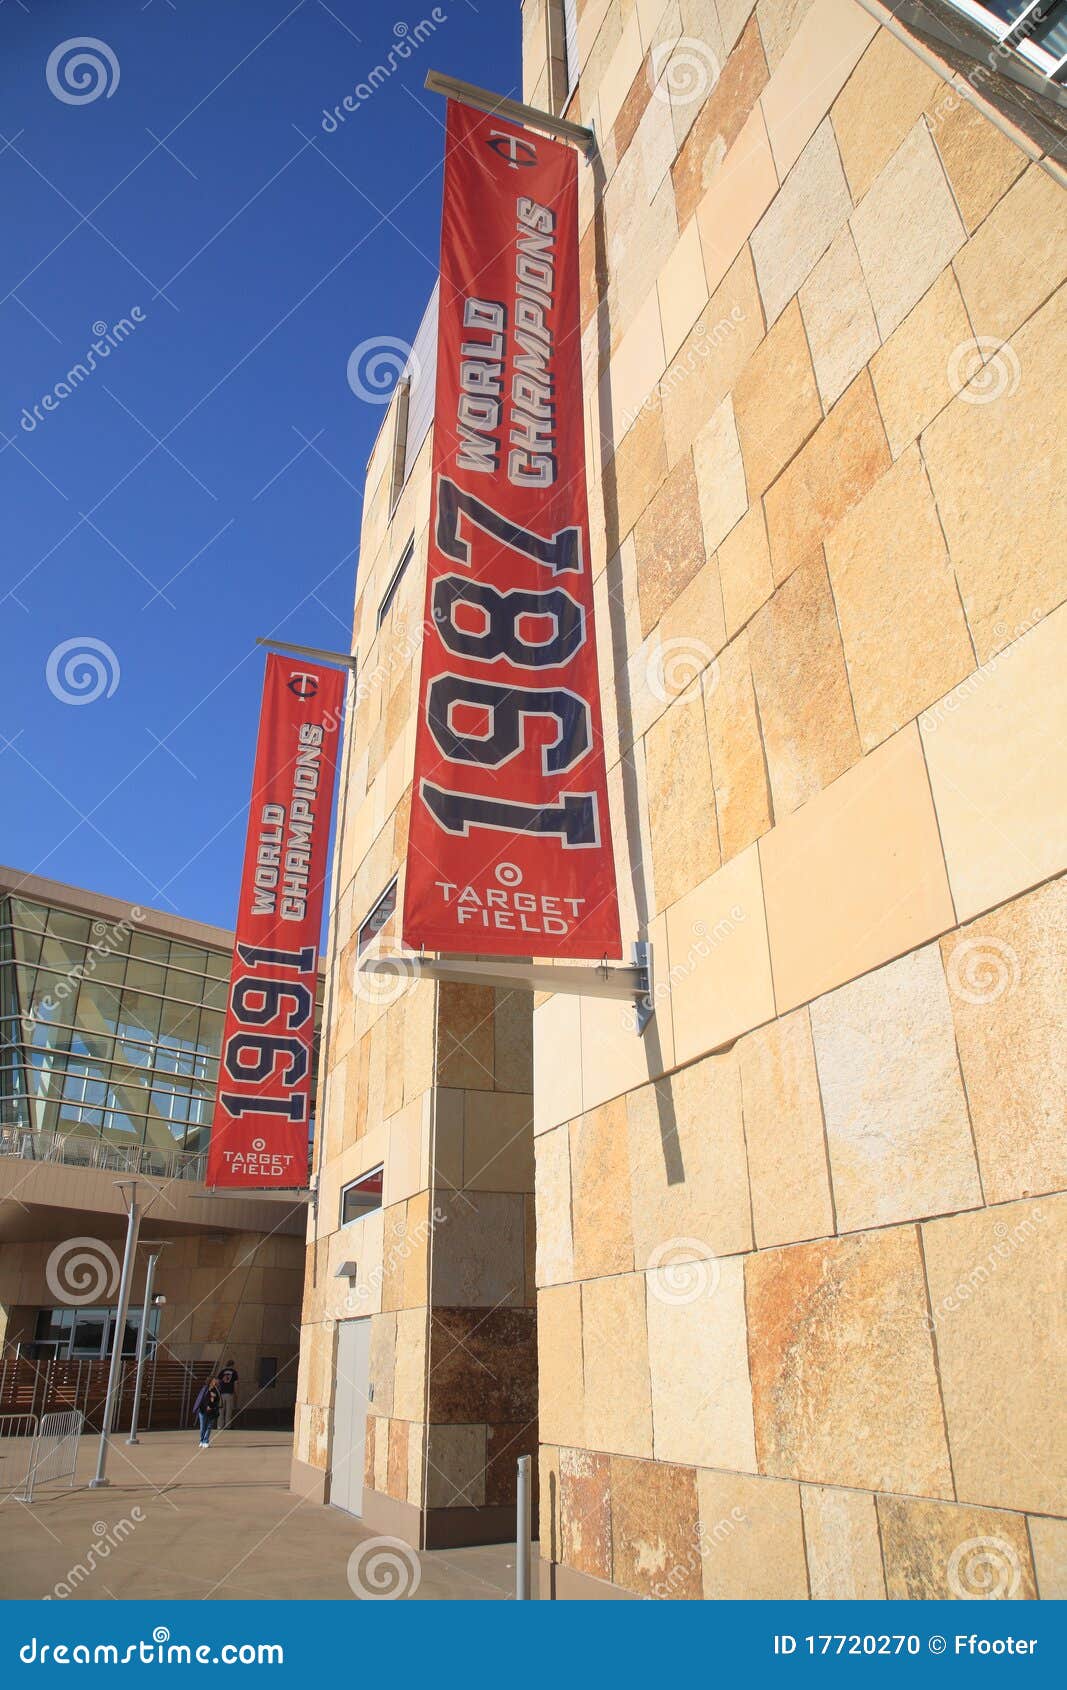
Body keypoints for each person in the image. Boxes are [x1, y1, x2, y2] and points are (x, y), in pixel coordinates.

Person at [192, 1377, 221, 1448]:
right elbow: (201, 1399)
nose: (215, 1382)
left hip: (212, 1411)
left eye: (216, 1381)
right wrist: (206, 1406)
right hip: (203, 1411)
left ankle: (206, 1441)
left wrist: (212, 1406)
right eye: (214, 1381)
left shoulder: (216, 1390)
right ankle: (201, 1441)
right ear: (210, 1381)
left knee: (209, 1426)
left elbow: (217, 1400)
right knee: (203, 1427)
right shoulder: (204, 1389)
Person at [217, 1359, 239, 1430]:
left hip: (222, 1393)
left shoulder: (222, 1372)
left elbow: (218, 1382)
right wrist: (236, 1392)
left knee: (221, 1410)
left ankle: (220, 1426)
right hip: (229, 1393)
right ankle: (228, 1425)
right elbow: (235, 1383)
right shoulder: (234, 1372)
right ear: (232, 1365)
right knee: (228, 1410)